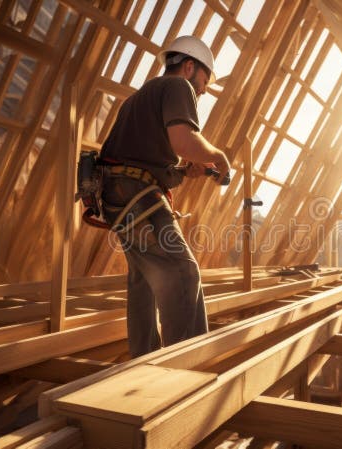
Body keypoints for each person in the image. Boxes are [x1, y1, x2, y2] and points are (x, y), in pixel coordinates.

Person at [98, 35, 231, 358]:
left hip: (118, 197)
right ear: (188, 67)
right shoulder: (177, 87)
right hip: (138, 198)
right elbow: (185, 142)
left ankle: (143, 359)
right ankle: (187, 368)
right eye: (203, 82)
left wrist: (186, 172)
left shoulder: (137, 99)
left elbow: (143, 161)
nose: (201, 91)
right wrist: (219, 157)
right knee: (184, 273)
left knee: (144, 279)